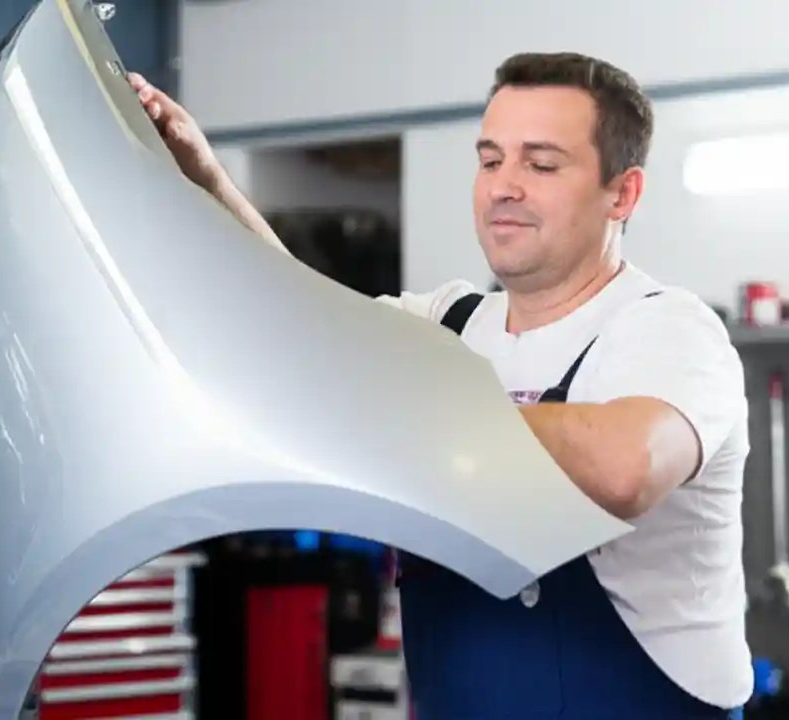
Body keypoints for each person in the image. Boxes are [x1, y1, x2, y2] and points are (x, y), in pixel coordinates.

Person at [129, 51, 751, 719]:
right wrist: (206, 182)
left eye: (540, 164)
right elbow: (298, 330)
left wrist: (407, 393)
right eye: (490, 160)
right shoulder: (446, 322)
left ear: (622, 193)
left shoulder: (669, 331)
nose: (503, 186)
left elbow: (626, 467)